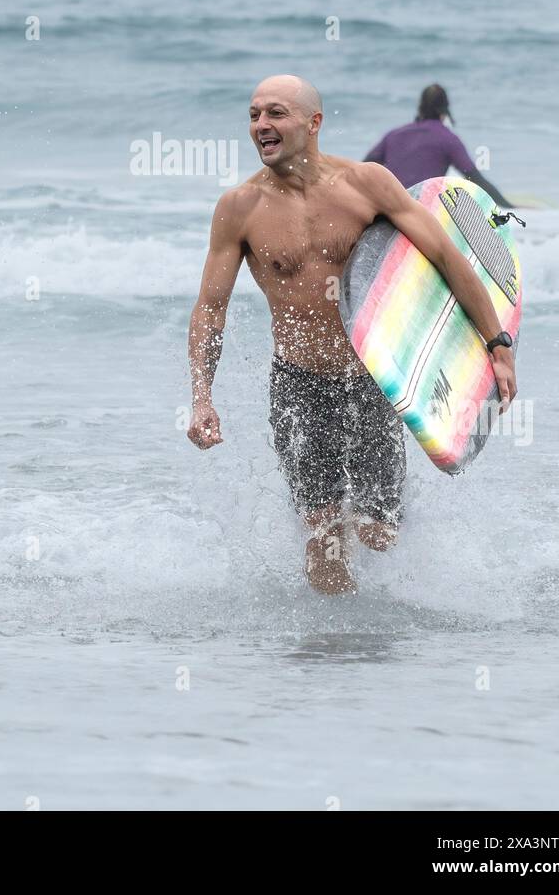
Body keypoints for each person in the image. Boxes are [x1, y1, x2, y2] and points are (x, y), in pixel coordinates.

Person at [186, 74, 517, 596]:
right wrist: (202, 395)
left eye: (275, 113)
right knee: (323, 534)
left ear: (312, 123)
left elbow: (448, 258)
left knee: (379, 533)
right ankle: (333, 652)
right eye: (253, 115)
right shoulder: (240, 207)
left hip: (371, 379)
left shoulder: (367, 185)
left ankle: (378, 643)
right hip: (298, 384)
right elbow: (211, 308)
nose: (260, 126)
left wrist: (497, 346)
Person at [364, 84, 512, 206]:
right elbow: (475, 179)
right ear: (445, 110)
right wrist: (509, 207)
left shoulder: (394, 135)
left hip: (387, 205)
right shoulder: (447, 138)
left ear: (420, 107)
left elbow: (362, 168)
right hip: (421, 211)